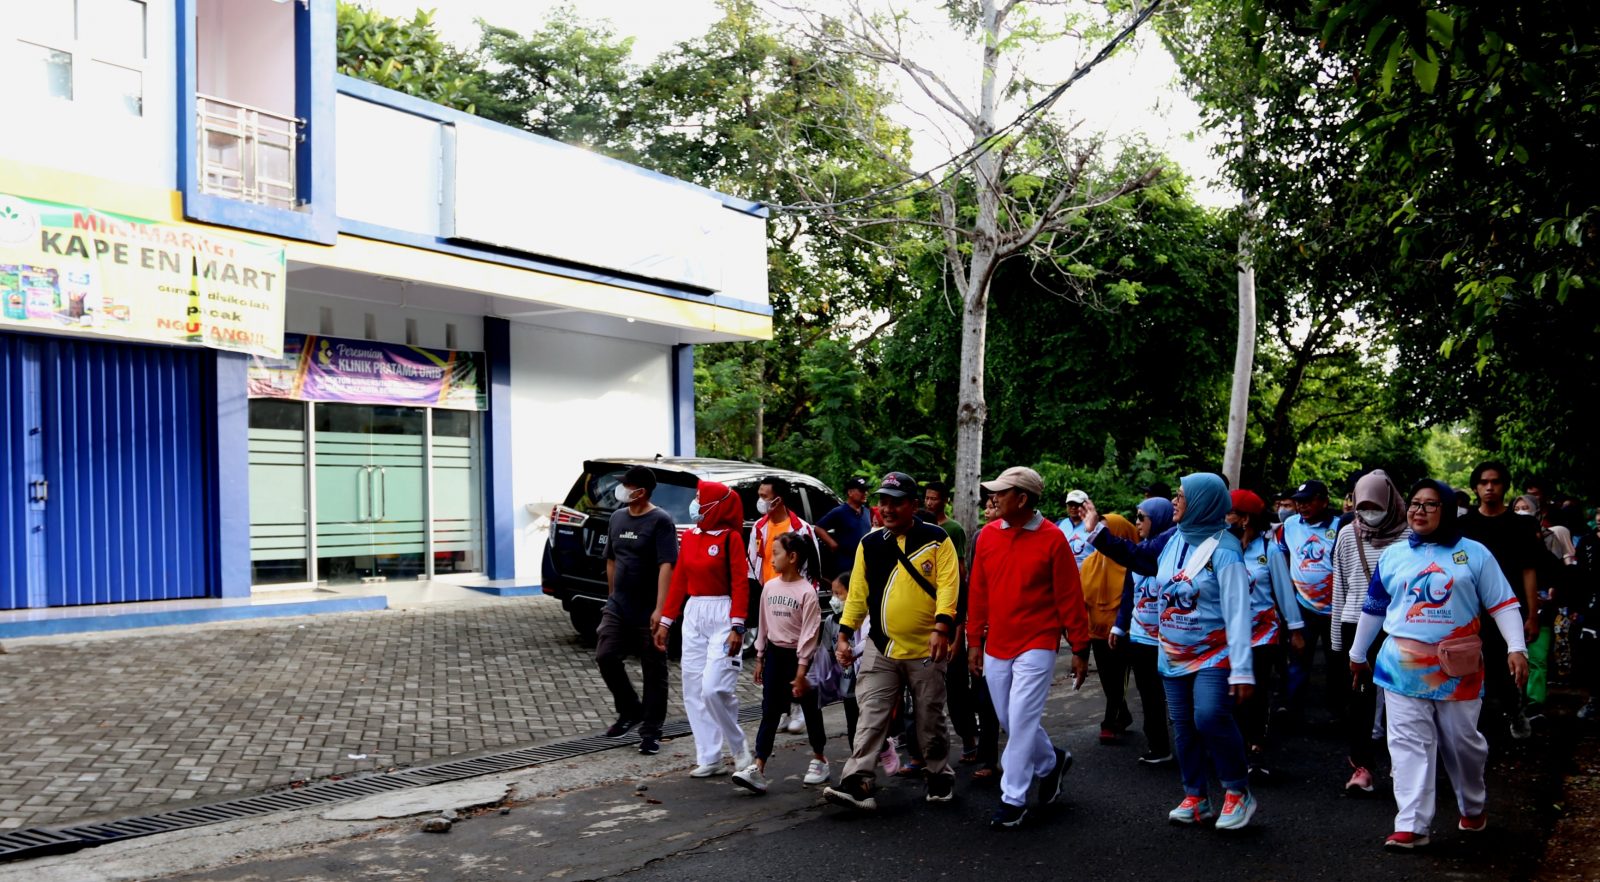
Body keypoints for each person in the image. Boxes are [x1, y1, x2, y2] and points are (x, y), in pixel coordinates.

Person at [1348, 479, 1530, 850]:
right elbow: (1374, 607)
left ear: (1447, 510)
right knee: (1408, 744)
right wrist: (1357, 653)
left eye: (1430, 505)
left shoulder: (1474, 554)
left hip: (1458, 667)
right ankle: (1411, 824)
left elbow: (1503, 603)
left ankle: (1473, 805)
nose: (1419, 511)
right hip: (1401, 666)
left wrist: (1516, 647)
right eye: (1414, 503)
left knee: (1463, 743)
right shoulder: (1395, 555)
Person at [822, 472, 961, 810]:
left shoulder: (938, 540)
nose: (887, 507)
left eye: (895, 502)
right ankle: (859, 781)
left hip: (926, 650)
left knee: (929, 717)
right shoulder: (870, 545)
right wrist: (843, 634)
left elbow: (948, 588)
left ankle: (939, 774)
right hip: (881, 646)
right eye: (883, 501)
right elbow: (857, 594)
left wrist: (942, 629)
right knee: (871, 713)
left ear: (913, 505)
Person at [967, 466, 1091, 828]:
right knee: (1009, 717)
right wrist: (975, 641)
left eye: (1001, 493)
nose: (994, 499)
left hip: (1038, 641)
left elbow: (1070, 598)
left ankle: (1013, 798)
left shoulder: (1053, 539)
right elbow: (978, 593)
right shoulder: (987, 536)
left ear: (1022, 499)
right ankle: (1052, 763)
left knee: (1021, 718)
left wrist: (1080, 649)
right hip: (998, 642)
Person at [1157, 473, 1258, 831]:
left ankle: (1236, 790)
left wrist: (1243, 670)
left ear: (1202, 502)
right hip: (1172, 653)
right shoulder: (1173, 540)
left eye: (1181, 495)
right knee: (1183, 727)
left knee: (1210, 716)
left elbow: (1238, 611)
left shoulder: (1226, 549)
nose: (1174, 500)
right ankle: (1196, 797)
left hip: (1215, 652)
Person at [655, 481, 752, 778]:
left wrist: (738, 625)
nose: (695, 502)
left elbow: (740, 583)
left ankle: (739, 749)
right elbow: (680, 580)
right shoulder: (691, 537)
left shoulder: (730, 538)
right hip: (694, 613)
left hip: (723, 613)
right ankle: (710, 756)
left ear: (716, 504)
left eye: (699, 498)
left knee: (714, 688)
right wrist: (666, 621)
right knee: (694, 689)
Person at [1328, 470, 1407, 793]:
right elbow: (1340, 588)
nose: (1368, 511)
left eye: (1376, 505)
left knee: (1400, 698)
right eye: (1363, 505)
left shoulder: (1409, 537)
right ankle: (1362, 766)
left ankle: (1403, 766)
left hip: (1398, 627)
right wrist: (1336, 641)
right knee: (1360, 699)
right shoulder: (1348, 534)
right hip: (1354, 626)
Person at [735, 532, 831, 793]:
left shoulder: (807, 593)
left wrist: (801, 673)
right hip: (775, 656)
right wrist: (760, 658)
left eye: (775, 553)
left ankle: (820, 758)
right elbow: (764, 625)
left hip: (800, 660)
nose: (771, 558)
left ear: (792, 557)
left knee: (811, 710)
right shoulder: (770, 587)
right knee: (770, 710)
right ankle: (758, 767)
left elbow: (810, 634)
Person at [1459, 461, 1543, 741]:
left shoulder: (1521, 524)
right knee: (1471, 668)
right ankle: (1476, 726)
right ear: (1475, 487)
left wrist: (1532, 614)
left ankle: (1514, 709)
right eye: (1483, 482)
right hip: (1472, 611)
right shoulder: (1464, 525)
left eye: (1495, 482)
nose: (1489, 487)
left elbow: (1529, 569)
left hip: (1509, 609)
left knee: (1507, 668)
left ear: (1505, 486)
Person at [596, 466, 677, 755]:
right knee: (605, 656)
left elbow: (666, 565)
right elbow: (612, 561)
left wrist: (661, 609)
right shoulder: (617, 518)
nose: (621, 490)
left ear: (641, 491)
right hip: (619, 606)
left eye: (627, 486)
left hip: (648, 609)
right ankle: (630, 710)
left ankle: (651, 730)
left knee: (654, 670)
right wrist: (611, 599)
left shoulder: (660, 521)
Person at [1229, 489, 1304, 779]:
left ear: (1245, 519)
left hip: (1263, 635)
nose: (1226, 519)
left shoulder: (1269, 551)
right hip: (1229, 636)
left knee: (1257, 693)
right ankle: (1233, 746)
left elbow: (1285, 593)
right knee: (1232, 693)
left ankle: (1255, 749)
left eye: (1230, 513)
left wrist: (1296, 630)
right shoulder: (1223, 549)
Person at [746, 475, 827, 734]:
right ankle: (780, 708)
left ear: (778, 499)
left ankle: (800, 708)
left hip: (797, 603)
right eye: (759, 495)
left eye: (764, 496)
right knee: (773, 658)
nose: (760, 500)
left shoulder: (801, 529)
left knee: (799, 656)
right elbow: (752, 564)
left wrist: (808, 601)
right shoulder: (759, 528)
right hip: (771, 600)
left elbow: (814, 567)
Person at [1109, 496, 1176, 765]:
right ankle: (1158, 746)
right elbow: (1129, 594)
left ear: (1157, 520)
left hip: (1168, 637)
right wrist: (1119, 625)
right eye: (1136, 517)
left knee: (1176, 694)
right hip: (1140, 636)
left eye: (1141, 517)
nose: (1137, 523)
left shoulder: (1173, 555)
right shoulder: (1138, 553)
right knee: (1149, 694)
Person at [1278, 479, 1346, 724]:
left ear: (1324, 501)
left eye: (1308, 501)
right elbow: (1285, 557)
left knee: (1337, 662)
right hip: (1303, 606)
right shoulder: (1290, 525)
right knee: (1298, 659)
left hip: (1336, 610)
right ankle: (1291, 709)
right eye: (1299, 501)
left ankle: (1337, 714)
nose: (1302, 506)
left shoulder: (1340, 526)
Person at [1080, 512, 1138, 744]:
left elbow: (1130, 598)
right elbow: (1082, 598)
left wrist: (1121, 626)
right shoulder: (1089, 563)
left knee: (1118, 677)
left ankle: (1110, 721)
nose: (1100, 536)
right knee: (1107, 679)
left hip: (1123, 630)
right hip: (1096, 630)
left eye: (1106, 531)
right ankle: (1121, 715)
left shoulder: (1132, 565)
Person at [818, 477, 874, 579]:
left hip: (864, 563)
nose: (865, 493)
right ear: (850, 492)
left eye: (866, 491)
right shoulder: (839, 512)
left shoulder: (866, 512)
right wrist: (832, 544)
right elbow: (818, 528)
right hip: (846, 564)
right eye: (861, 491)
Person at [1057, 490, 1096, 567]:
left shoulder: (1095, 526)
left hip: (1088, 573)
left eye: (1077, 504)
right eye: (1070, 504)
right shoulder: (1058, 525)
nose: (1073, 507)